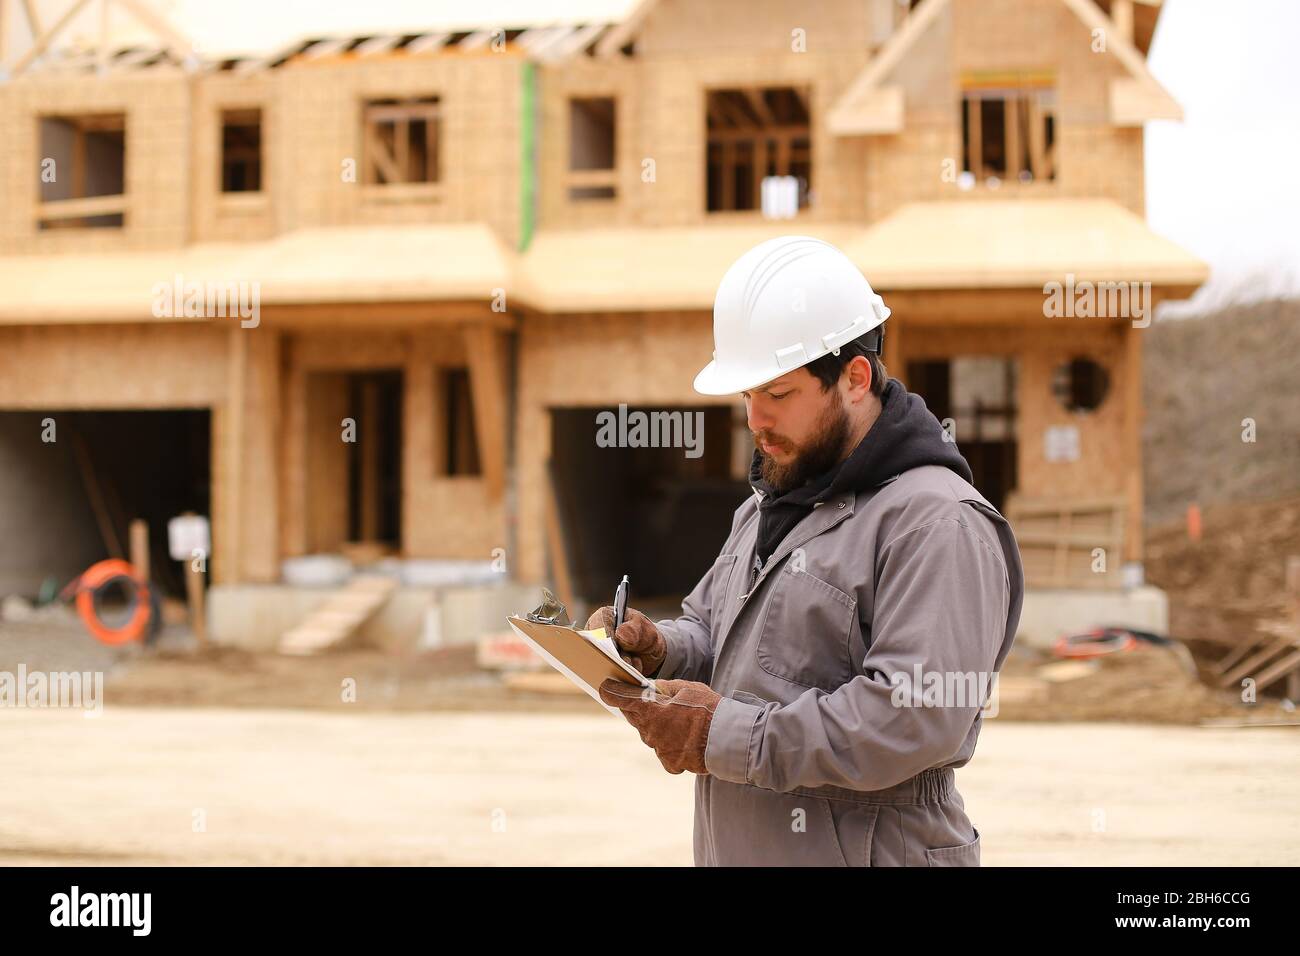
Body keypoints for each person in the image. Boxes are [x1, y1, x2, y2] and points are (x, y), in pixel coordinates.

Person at [589, 236, 1024, 866]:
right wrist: (658, 650)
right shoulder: (771, 505)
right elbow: (720, 640)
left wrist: (722, 734)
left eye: (779, 394)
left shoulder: (937, 524)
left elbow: (914, 718)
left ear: (854, 378)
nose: (755, 421)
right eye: (747, 397)